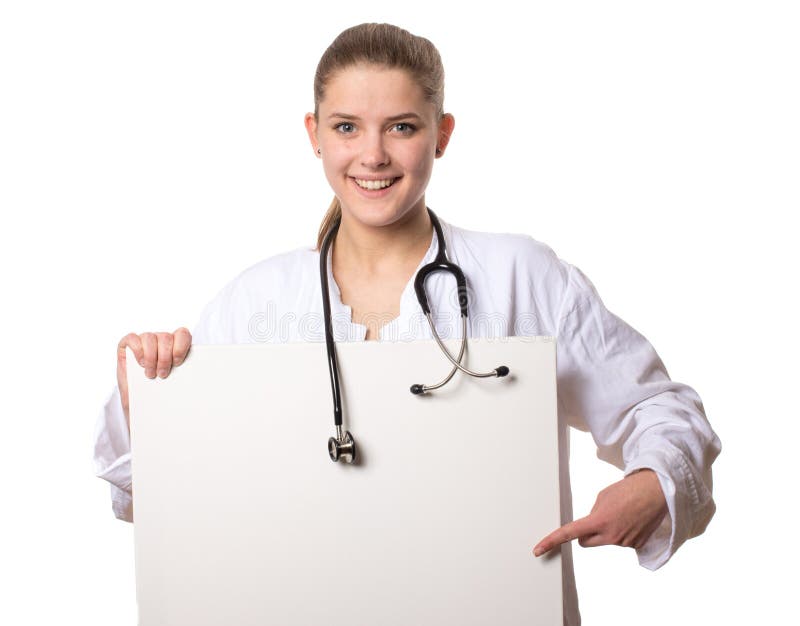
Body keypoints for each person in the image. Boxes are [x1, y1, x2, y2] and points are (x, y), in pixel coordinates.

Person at [92, 22, 721, 626]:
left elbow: (659, 409)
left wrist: (652, 484)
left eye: (401, 127)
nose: (373, 154)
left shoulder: (523, 277)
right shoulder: (256, 302)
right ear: (314, 134)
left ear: (441, 134)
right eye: (346, 127)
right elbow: (160, 500)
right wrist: (150, 388)